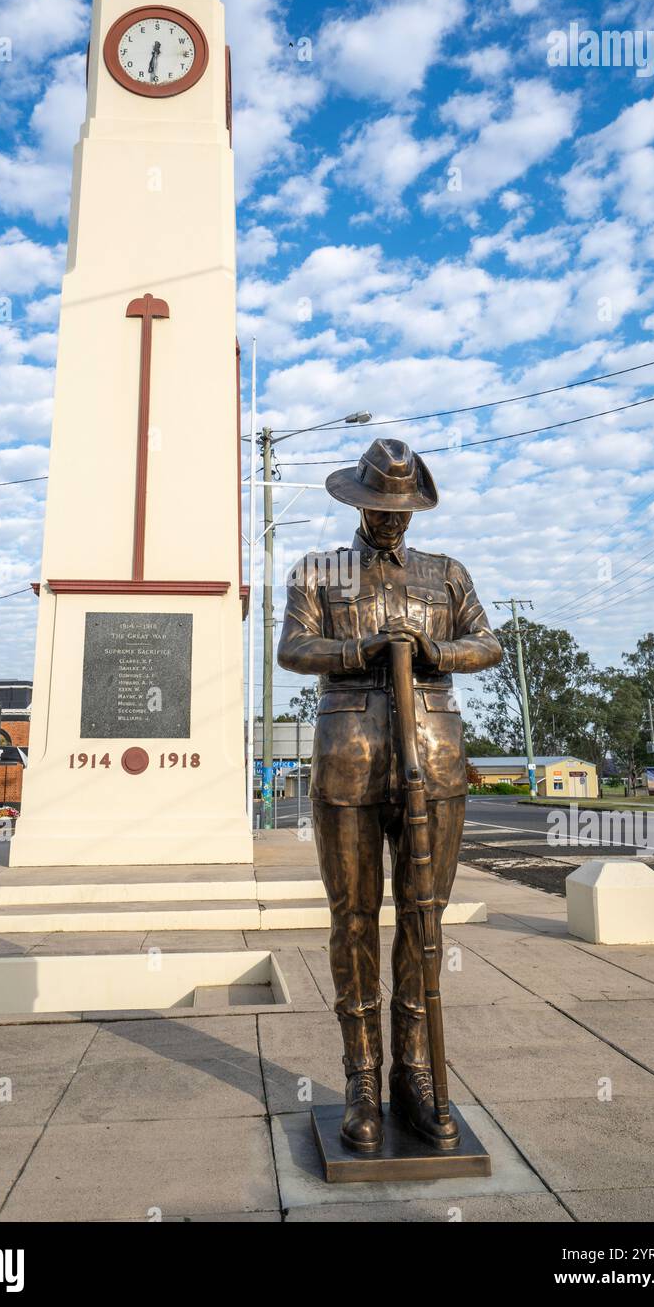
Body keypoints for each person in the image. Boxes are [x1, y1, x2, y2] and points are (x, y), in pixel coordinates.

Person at [278, 438, 502, 1151]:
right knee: (352, 918)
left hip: (433, 758)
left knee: (423, 917)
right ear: (358, 500)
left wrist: (434, 651)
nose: (391, 522)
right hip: (349, 757)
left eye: (402, 511)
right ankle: (363, 1080)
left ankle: (415, 1073)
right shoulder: (318, 570)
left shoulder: (446, 575)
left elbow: (487, 644)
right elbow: (292, 648)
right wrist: (362, 649)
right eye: (381, 509)